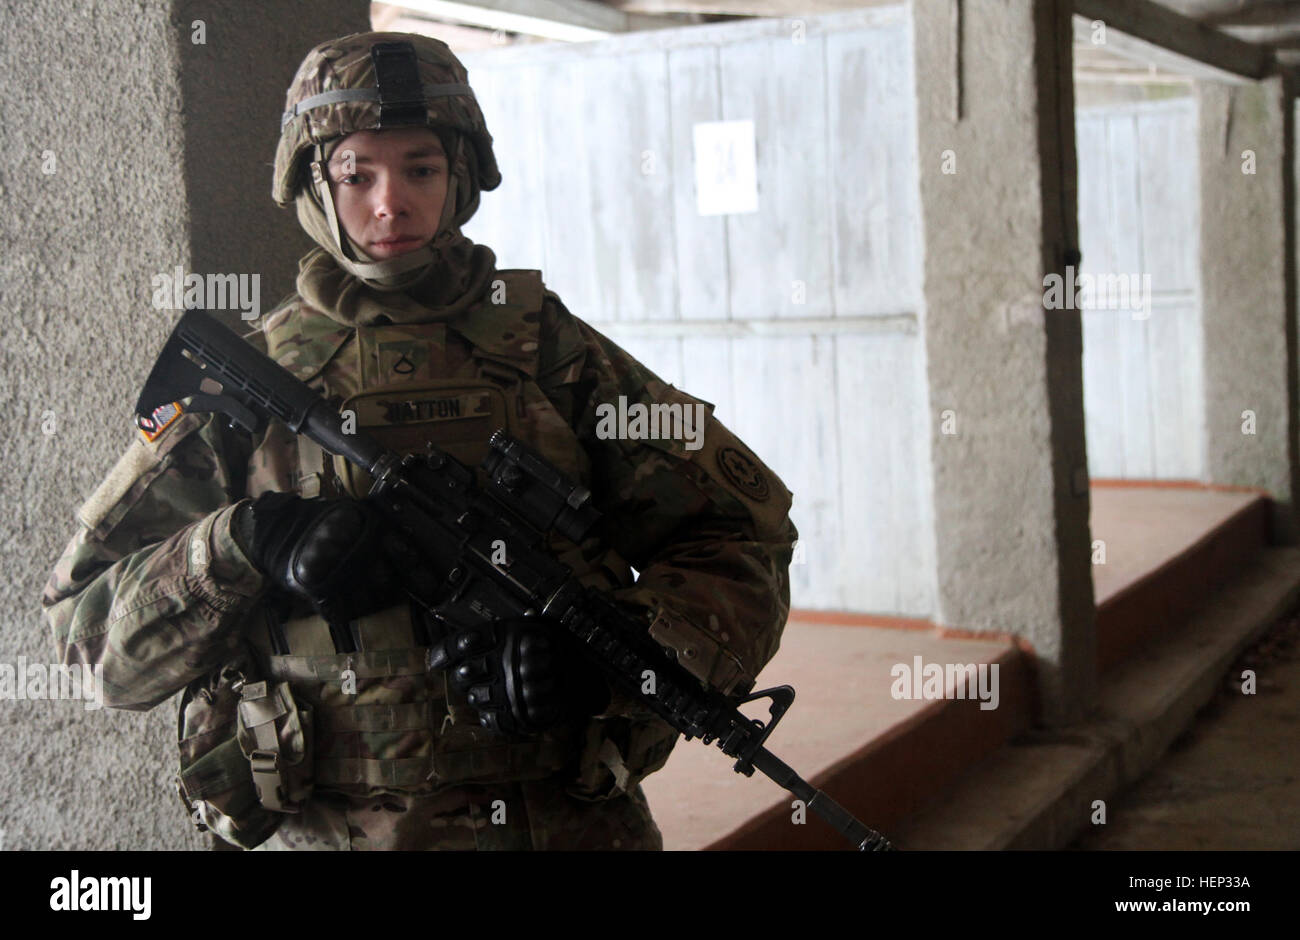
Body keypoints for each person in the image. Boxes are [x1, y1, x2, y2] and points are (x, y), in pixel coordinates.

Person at [42, 30, 797, 850]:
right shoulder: (245, 385)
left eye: (421, 168)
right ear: (311, 183)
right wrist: (241, 546)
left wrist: (609, 662)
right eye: (355, 173)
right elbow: (88, 648)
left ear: (462, 174)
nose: (390, 202)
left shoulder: (551, 352)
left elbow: (742, 537)